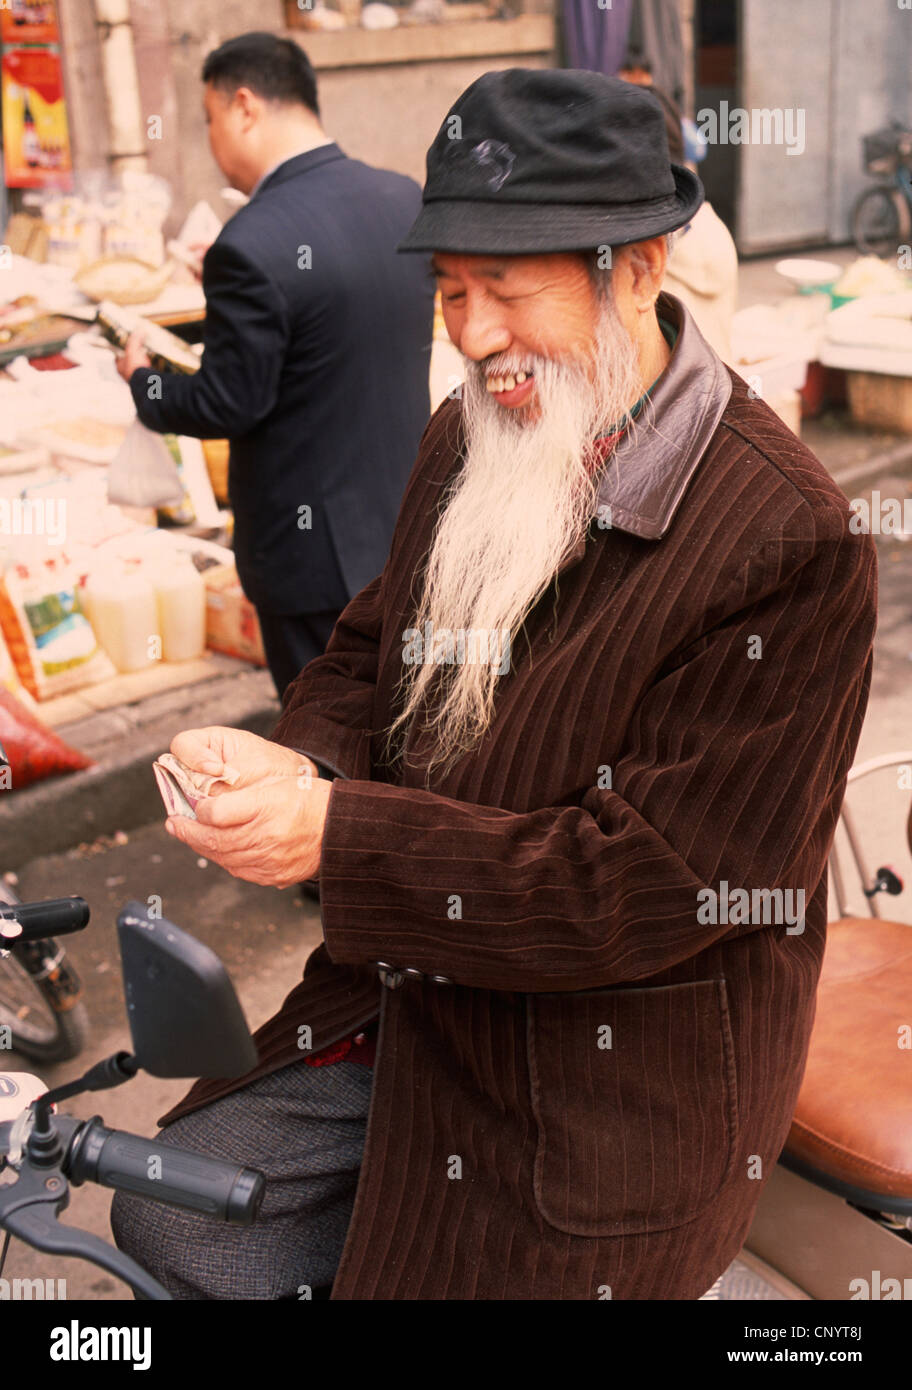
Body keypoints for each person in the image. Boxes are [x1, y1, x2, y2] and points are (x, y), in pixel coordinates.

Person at [111, 69, 877, 1301]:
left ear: (637, 269)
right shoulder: (466, 430)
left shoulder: (786, 539)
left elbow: (647, 885)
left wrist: (338, 835)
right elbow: (370, 650)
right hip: (408, 994)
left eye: (507, 290)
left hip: (603, 1076)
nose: (470, 336)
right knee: (170, 1215)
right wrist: (300, 762)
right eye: (450, 290)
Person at [116, 32, 434, 699]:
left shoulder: (252, 241)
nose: (210, 139)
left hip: (311, 565)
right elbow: (332, 322)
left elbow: (229, 402)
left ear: (243, 106)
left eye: (206, 120)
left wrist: (144, 381)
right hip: (408, 527)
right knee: (403, 731)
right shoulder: (403, 199)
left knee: (325, 746)